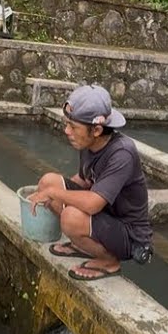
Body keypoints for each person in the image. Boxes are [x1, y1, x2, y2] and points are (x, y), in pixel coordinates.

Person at [26, 84, 152, 281]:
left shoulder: (122, 153)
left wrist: (54, 194)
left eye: (73, 127)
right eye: (67, 124)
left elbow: (92, 204)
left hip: (128, 234)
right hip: (104, 217)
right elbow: (84, 180)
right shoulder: (88, 143)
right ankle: (82, 242)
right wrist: (49, 191)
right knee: (48, 181)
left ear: (97, 130)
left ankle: (109, 261)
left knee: (71, 216)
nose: (67, 131)